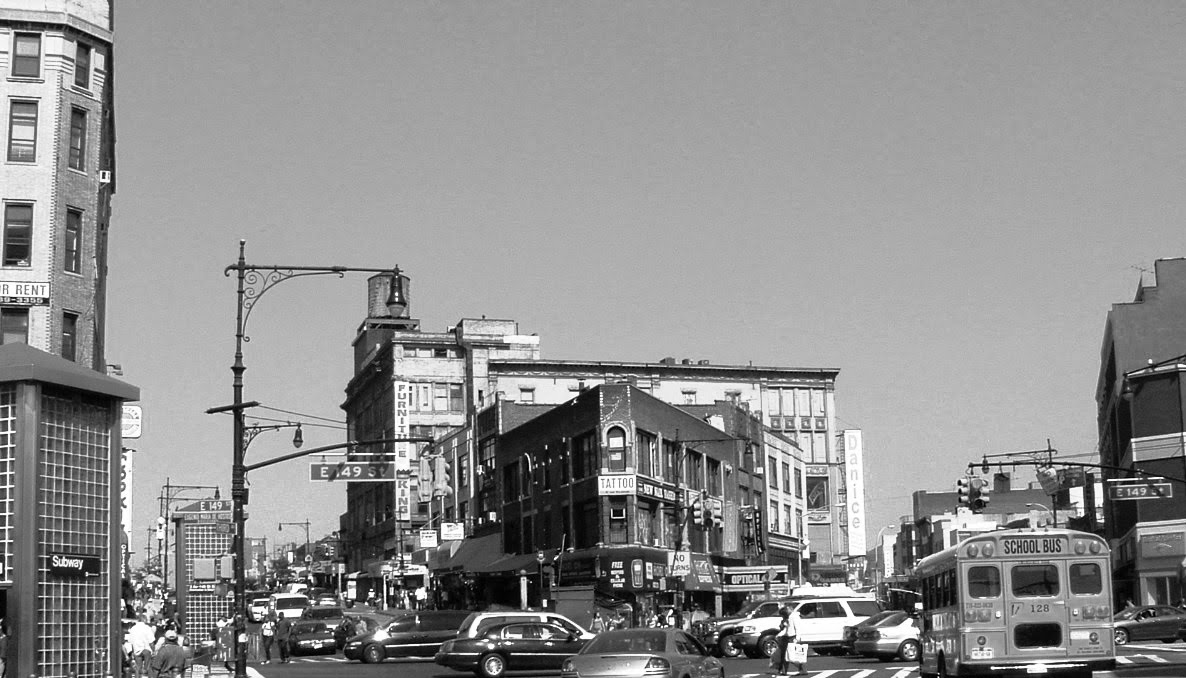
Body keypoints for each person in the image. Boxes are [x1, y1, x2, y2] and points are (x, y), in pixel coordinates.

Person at [771, 606, 806, 677]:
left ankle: (802, 669)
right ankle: (784, 670)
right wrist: (779, 634)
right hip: (787, 637)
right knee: (785, 655)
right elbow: (787, 629)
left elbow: (797, 627)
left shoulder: (794, 617)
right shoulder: (788, 617)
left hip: (793, 637)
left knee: (793, 655)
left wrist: (797, 638)